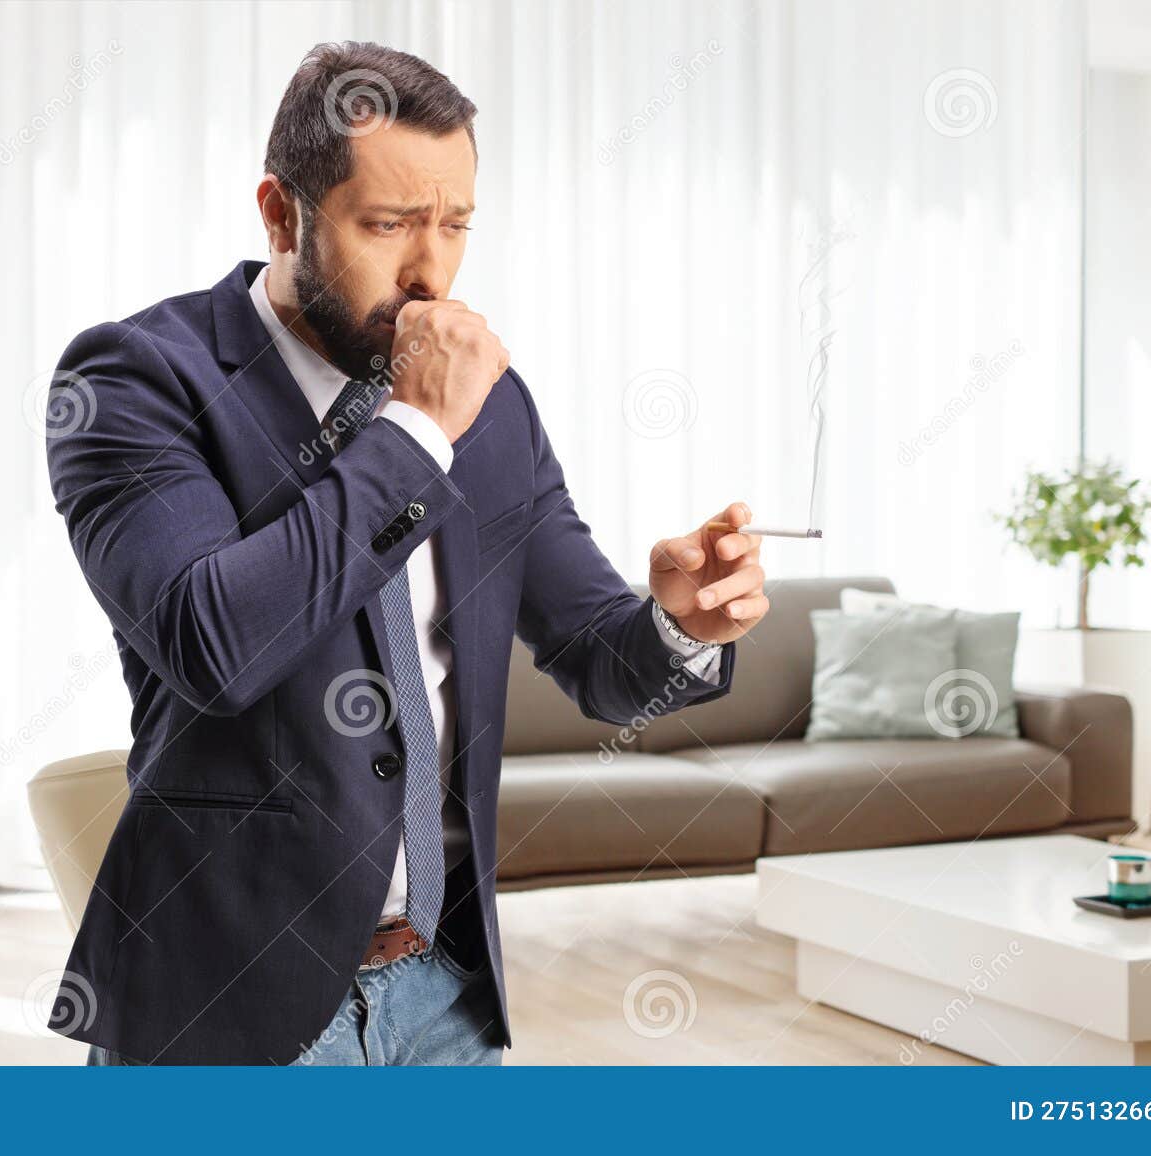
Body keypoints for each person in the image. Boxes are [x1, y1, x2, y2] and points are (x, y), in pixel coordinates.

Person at [44, 40, 766, 1065]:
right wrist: (417, 431)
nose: (430, 270)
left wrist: (678, 622)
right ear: (281, 213)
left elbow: (598, 662)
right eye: (388, 224)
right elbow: (213, 645)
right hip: (228, 1000)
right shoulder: (136, 378)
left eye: (455, 224)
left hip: (446, 994)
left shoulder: (490, 404)